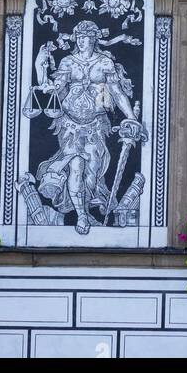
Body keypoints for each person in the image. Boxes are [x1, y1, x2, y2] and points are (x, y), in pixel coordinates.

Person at [28, 22, 145, 235]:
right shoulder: (68, 62)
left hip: (96, 125)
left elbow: (117, 93)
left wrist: (130, 117)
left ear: (94, 38)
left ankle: (86, 206)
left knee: (93, 170)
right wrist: (40, 68)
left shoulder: (105, 63)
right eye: (79, 37)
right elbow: (55, 88)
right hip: (70, 124)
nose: (82, 41)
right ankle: (82, 215)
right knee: (75, 166)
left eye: (86, 37)